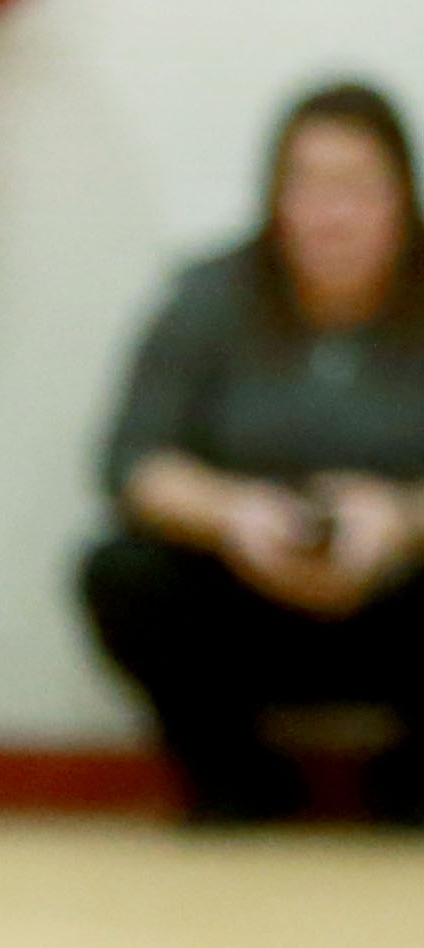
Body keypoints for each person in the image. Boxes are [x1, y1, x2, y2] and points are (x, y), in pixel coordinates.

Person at [82, 81, 424, 826]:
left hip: (401, 601)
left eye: (356, 187)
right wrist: (233, 514)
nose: (331, 215)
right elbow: (131, 461)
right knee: (119, 572)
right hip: (244, 599)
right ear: (274, 197)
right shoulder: (208, 296)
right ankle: (232, 778)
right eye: (307, 186)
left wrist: (398, 516)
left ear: (401, 196)